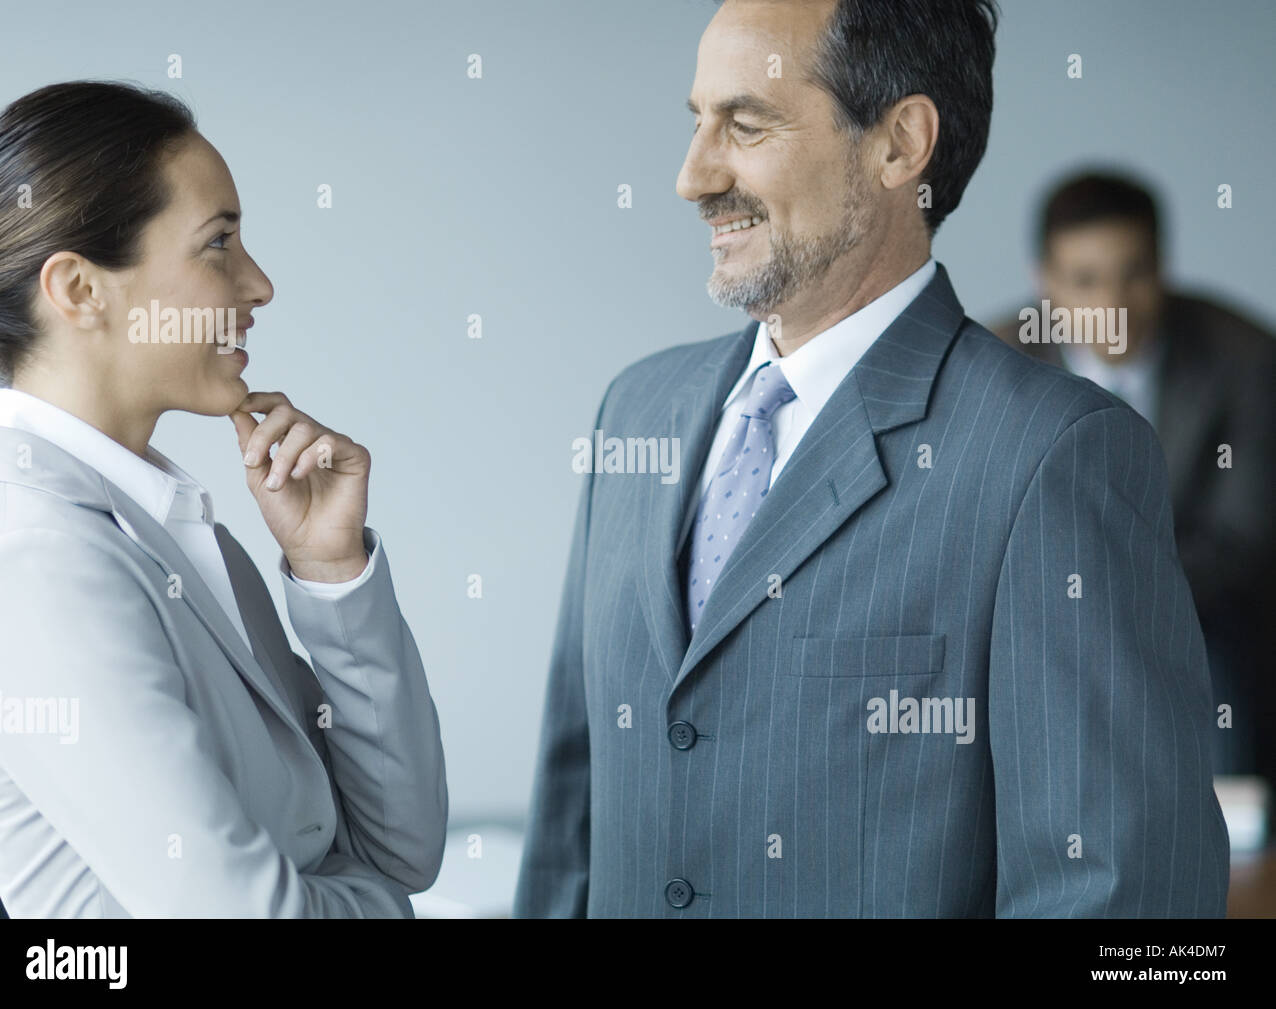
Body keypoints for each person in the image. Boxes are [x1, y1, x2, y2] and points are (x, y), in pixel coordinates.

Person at [514, 0, 1229, 917]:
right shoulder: (633, 413)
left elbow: (1133, 909)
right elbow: (571, 822)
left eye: (745, 123)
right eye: (696, 122)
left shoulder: (1056, 455)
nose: (692, 175)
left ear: (900, 145)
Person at [0, 81, 447, 917]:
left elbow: (401, 848)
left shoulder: (181, 536)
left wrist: (330, 570)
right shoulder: (29, 556)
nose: (259, 285)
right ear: (82, 291)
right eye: (219, 244)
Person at [988, 171, 1276, 786]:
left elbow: (1241, 539)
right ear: (1045, 282)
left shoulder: (1246, 356)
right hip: (1042, 629)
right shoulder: (993, 366)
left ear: (1164, 269)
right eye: (1086, 281)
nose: (1113, 304)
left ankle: (1228, 850)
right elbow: (981, 533)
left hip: (1199, 622)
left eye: (1135, 273)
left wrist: (1116, 601)